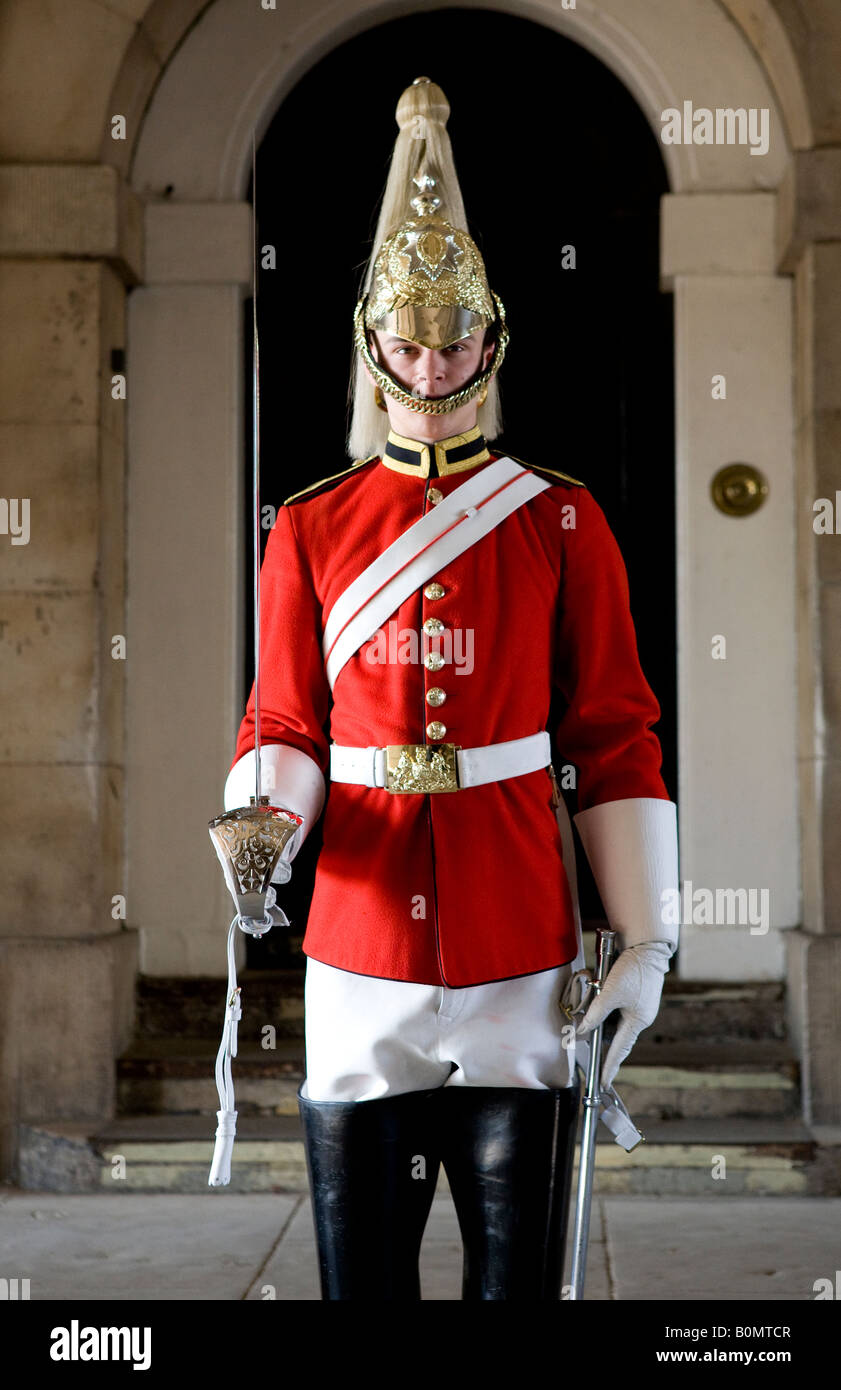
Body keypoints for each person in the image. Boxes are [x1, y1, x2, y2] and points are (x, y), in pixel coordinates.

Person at [223, 77, 679, 1301]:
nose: (434, 361)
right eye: (411, 338)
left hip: (518, 936)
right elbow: (282, 721)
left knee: (512, 1285)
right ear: (375, 343)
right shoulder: (310, 528)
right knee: (362, 1282)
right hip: (359, 940)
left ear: (493, 337)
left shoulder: (561, 520)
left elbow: (613, 735)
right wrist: (263, 825)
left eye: (456, 335)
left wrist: (647, 939)